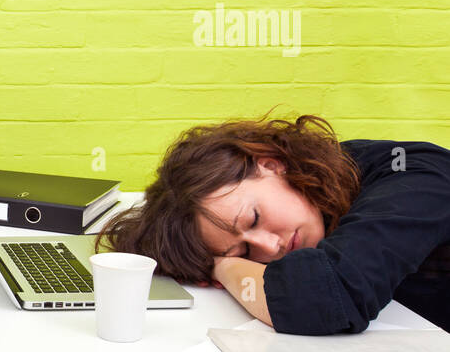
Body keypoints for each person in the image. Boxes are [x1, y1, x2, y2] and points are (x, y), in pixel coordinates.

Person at [99, 114, 450, 334]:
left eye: (254, 218)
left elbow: (322, 297)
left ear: (271, 164)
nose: (269, 248)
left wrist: (225, 265)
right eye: (247, 250)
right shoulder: (325, 199)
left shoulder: (412, 174)